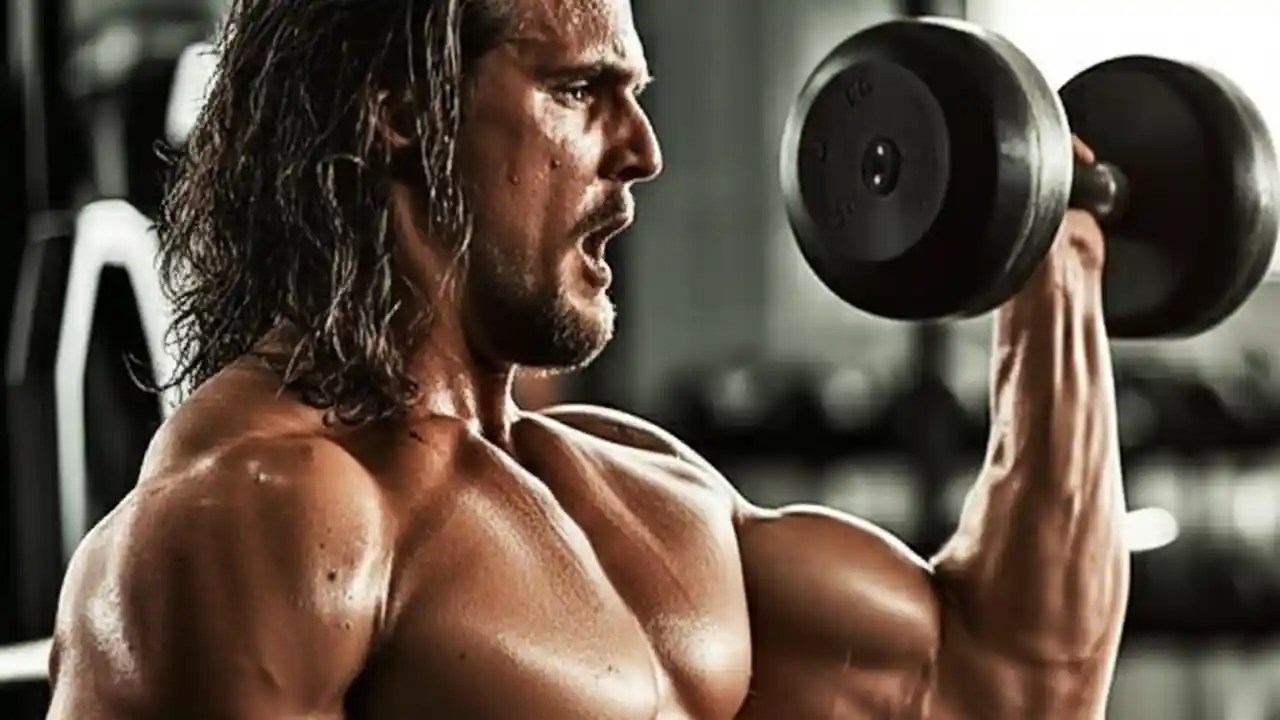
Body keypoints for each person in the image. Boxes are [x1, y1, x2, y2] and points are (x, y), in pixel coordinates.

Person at [47, 0, 1129, 717]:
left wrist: (1054, 265)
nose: (643, 151)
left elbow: (1012, 675)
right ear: (399, 110)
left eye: (636, 97)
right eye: (577, 91)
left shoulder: (635, 488)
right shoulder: (260, 517)